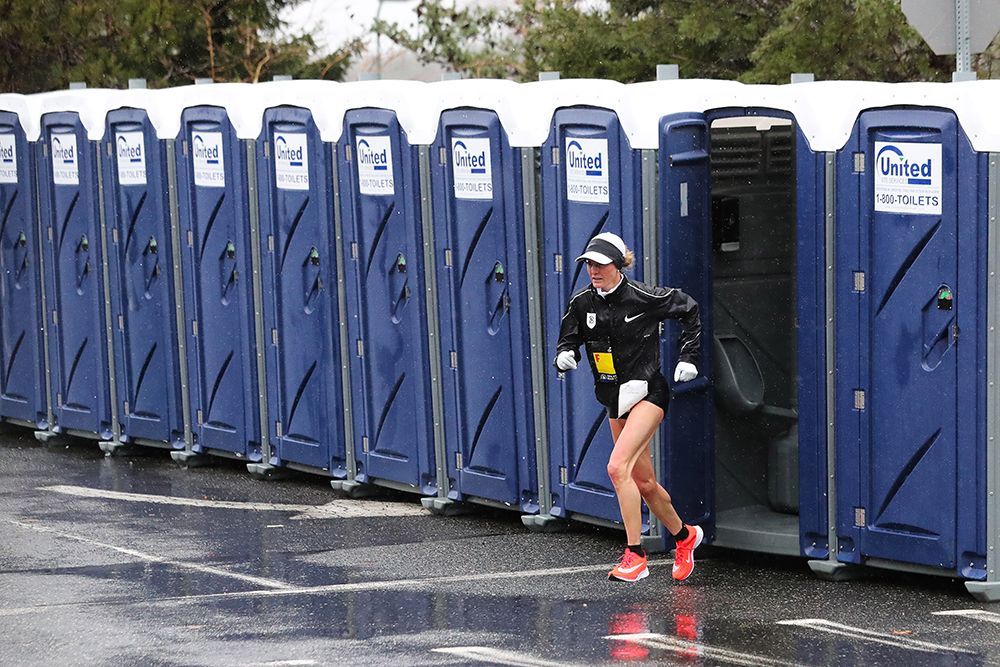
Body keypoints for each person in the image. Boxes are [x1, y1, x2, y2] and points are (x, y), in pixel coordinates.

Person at [554, 232, 703, 583]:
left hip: (649, 392)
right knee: (645, 483)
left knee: (617, 467)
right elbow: (568, 338)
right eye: (589, 263)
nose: (594, 270)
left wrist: (688, 357)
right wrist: (564, 355)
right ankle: (685, 537)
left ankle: (635, 555)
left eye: (601, 264)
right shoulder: (581, 304)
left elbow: (689, 309)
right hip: (613, 399)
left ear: (619, 265)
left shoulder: (644, 296)